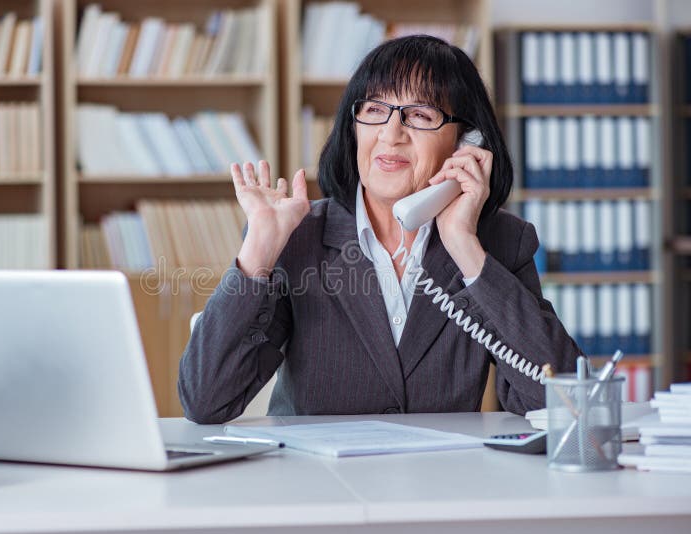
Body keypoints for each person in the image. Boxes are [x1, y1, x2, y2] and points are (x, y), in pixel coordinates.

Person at [179, 35, 578, 424]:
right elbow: (206, 401)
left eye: (420, 115)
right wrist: (257, 254)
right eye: (374, 110)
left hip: (442, 470)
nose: (391, 134)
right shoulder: (298, 237)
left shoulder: (500, 242)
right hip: (316, 470)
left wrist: (465, 247)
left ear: (466, 142)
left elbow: (563, 402)